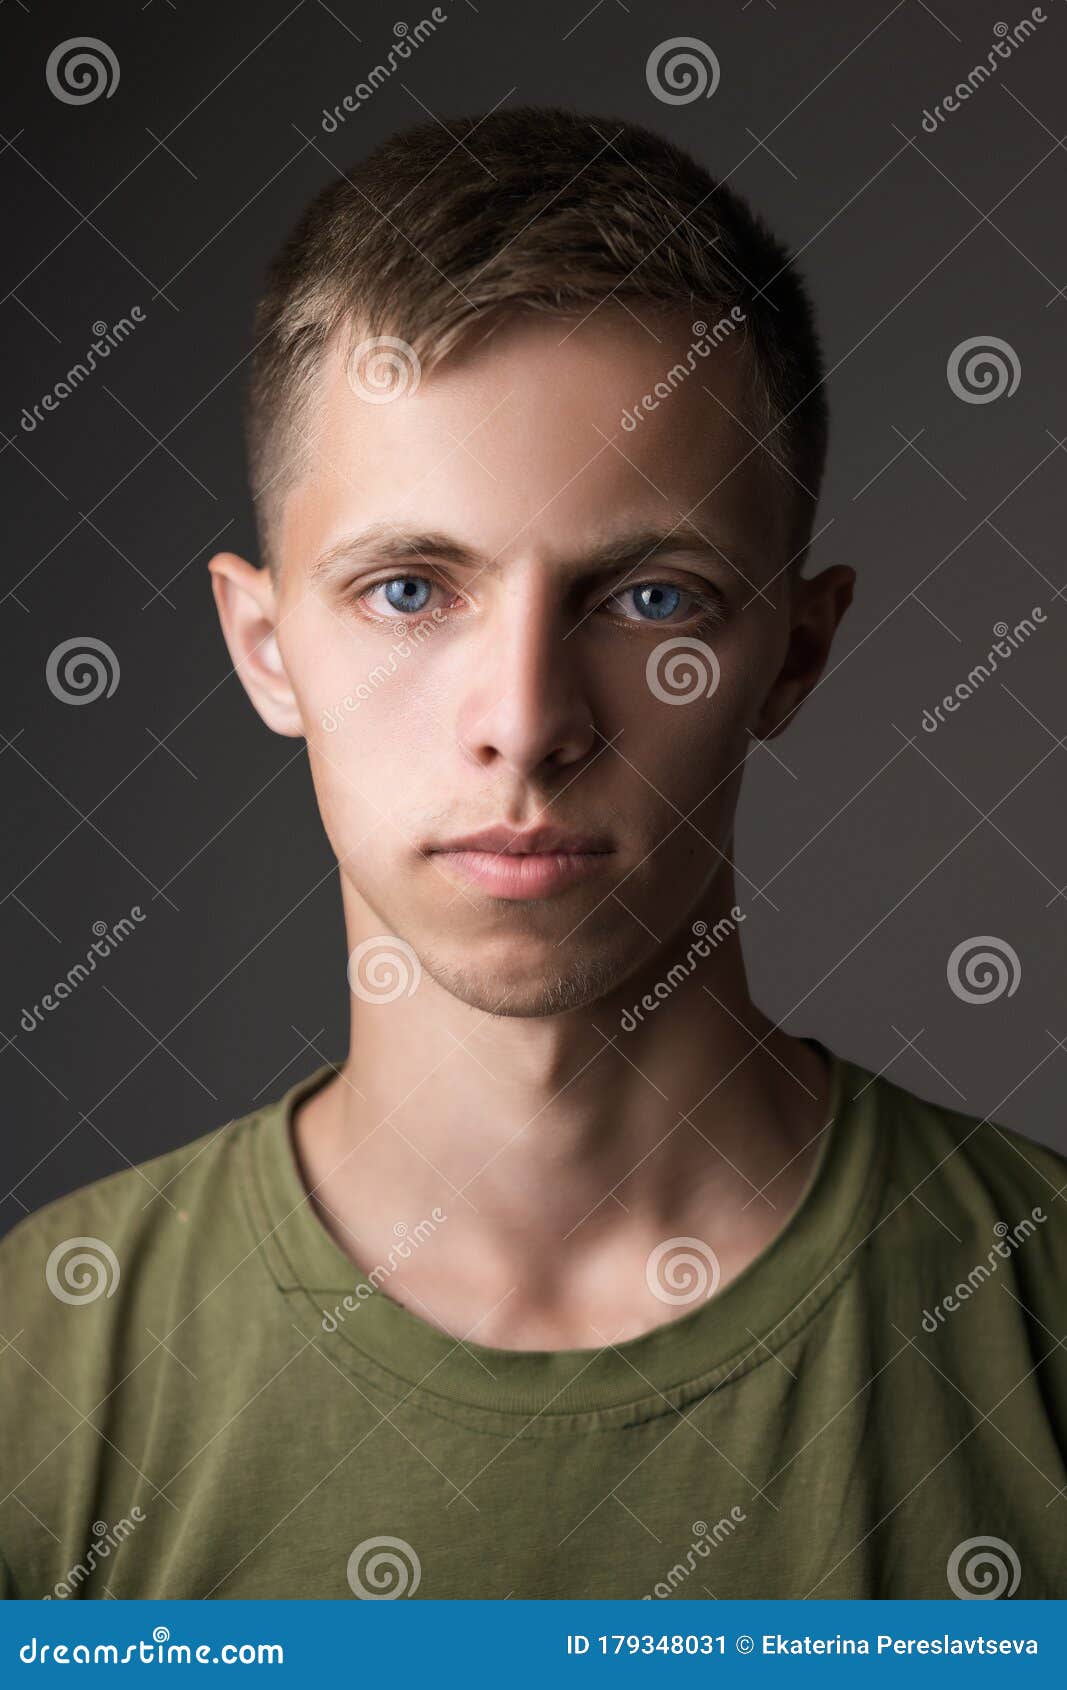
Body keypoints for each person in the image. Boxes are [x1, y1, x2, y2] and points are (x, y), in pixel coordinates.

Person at [2, 106, 1064, 1603]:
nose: (525, 721)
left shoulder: (1038, 1320)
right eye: (409, 589)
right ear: (266, 646)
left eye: (651, 599)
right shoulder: (36, 1371)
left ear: (794, 653)